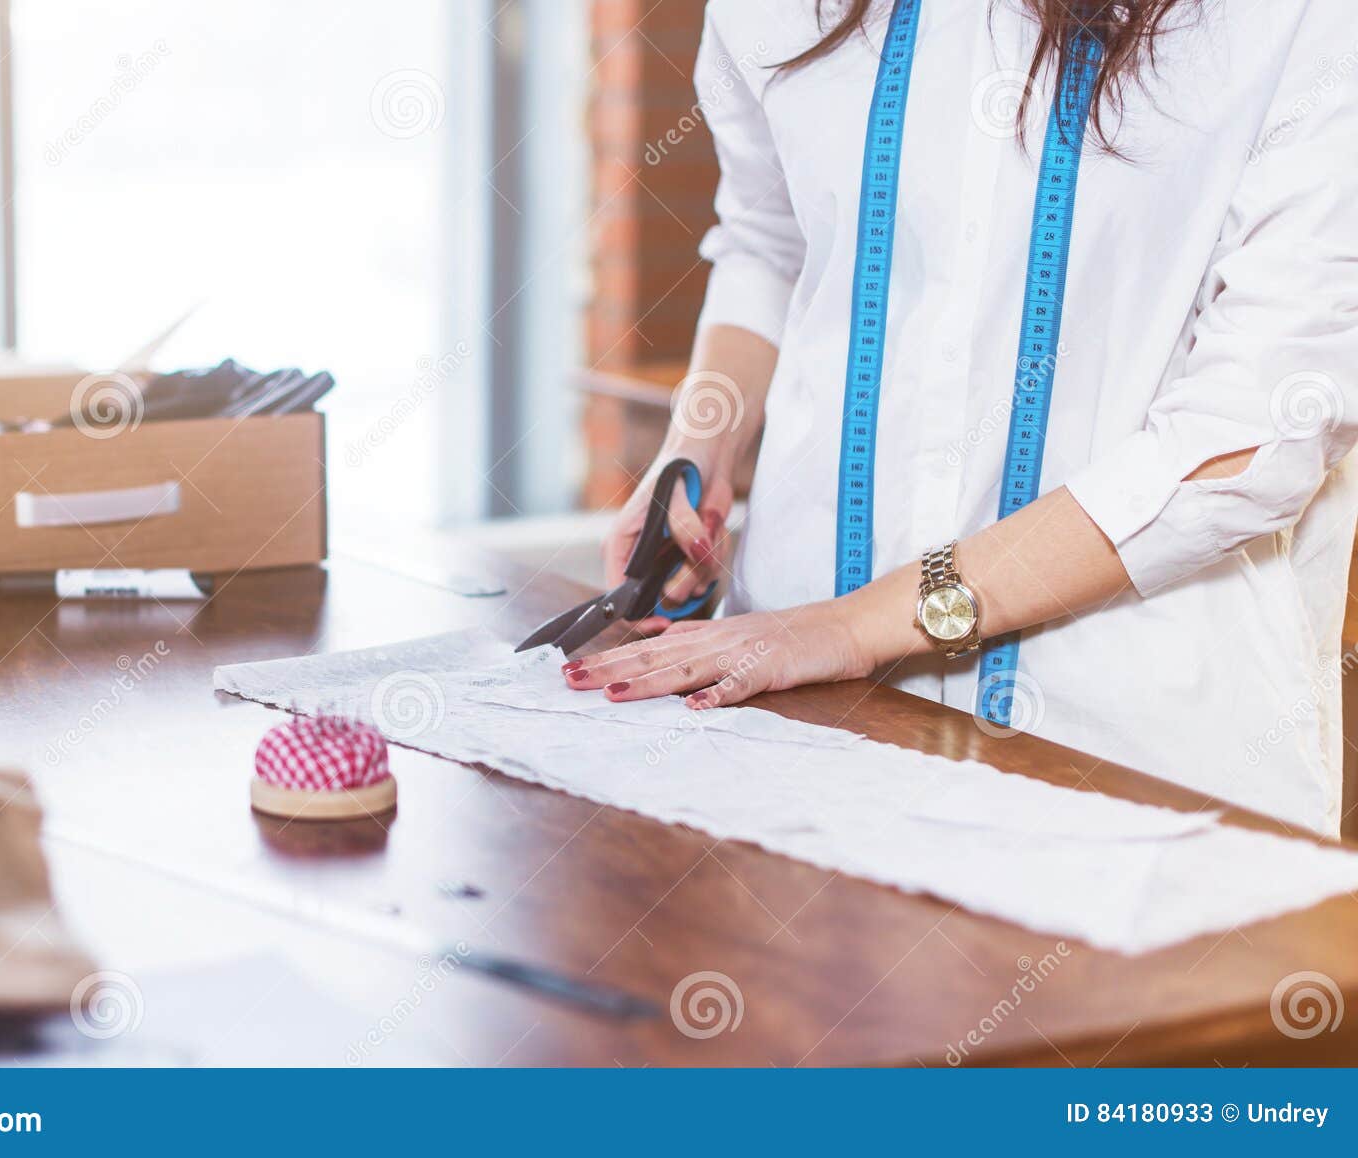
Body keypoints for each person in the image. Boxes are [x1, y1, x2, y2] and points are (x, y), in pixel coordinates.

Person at [563, 0, 1358, 836]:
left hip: (1127, 760)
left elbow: (1254, 435)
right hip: (785, 718)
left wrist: (855, 624)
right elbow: (768, 237)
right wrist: (701, 447)